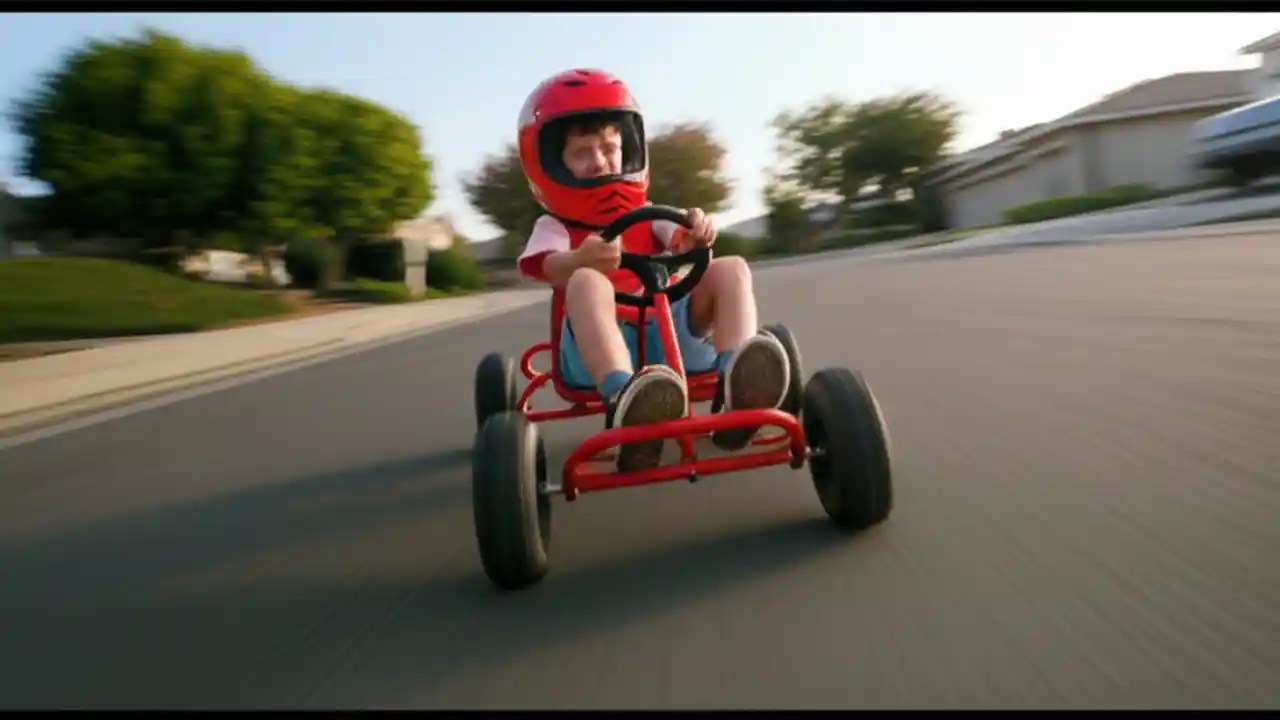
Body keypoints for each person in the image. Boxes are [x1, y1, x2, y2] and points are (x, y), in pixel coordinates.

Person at [515, 68, 790, 473]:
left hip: (672, 336)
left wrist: (696, 229)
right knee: (588, 281)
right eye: (582, 153)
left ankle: (739, 382)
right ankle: (626, 401)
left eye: (610, 148)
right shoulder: (554, 227)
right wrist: (578, 261)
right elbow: (547, 267)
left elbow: (679, 236)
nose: (601, 162)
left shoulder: (647, 215)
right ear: (551, 165)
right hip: (598, 351)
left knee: (731, 268)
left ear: (629, 149)